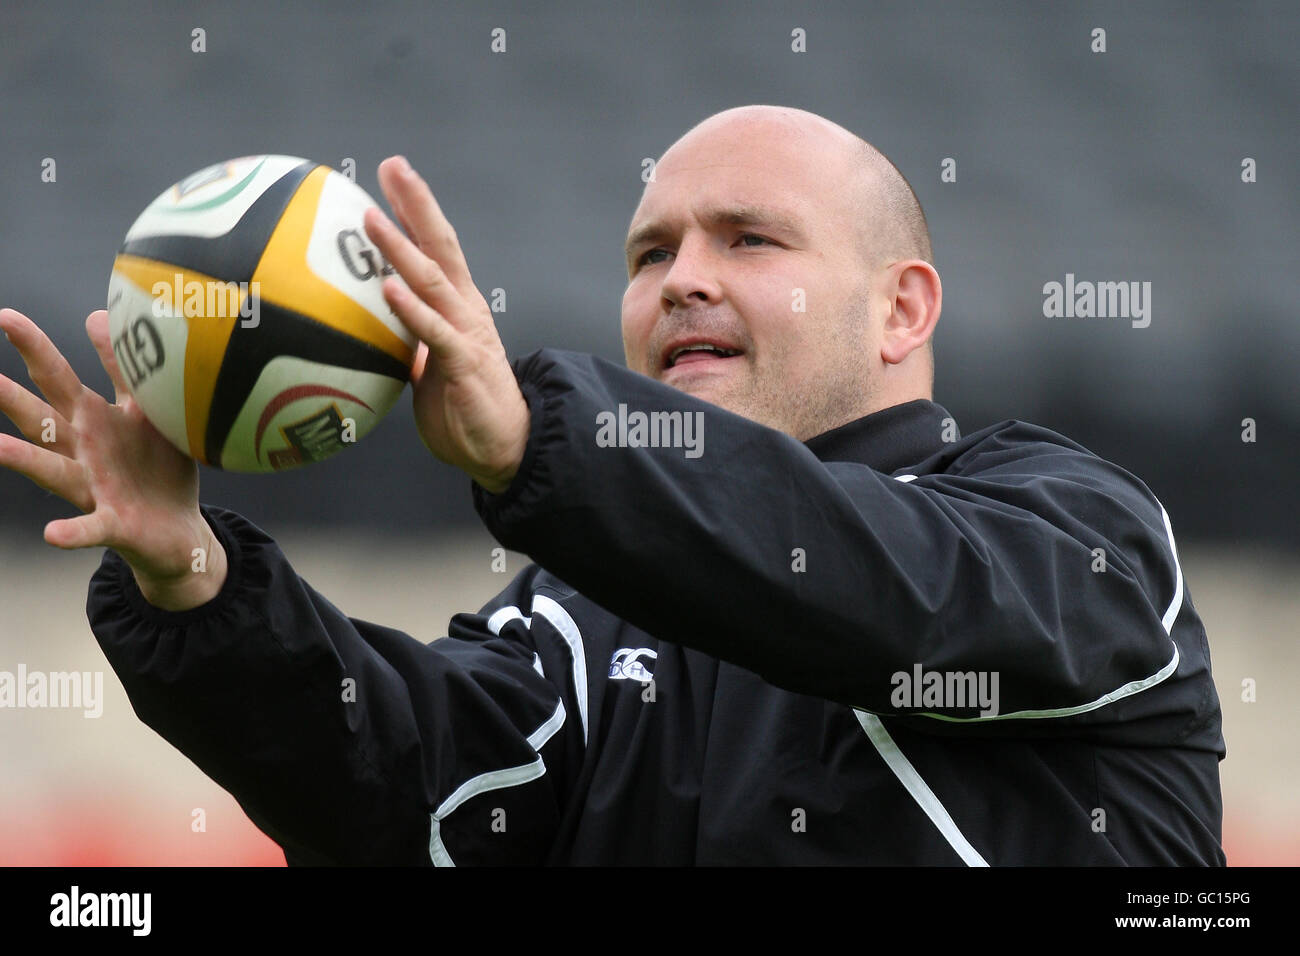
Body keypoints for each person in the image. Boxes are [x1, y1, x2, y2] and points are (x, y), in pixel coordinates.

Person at [0, 105, 1225, 865]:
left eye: (746, 237)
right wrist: (194, 581)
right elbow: (411, 806)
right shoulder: (580, 621)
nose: (680, 278)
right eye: (650, 254)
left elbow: (875, 584)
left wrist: (543, 445)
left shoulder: (1078, 528)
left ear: (901, 307)